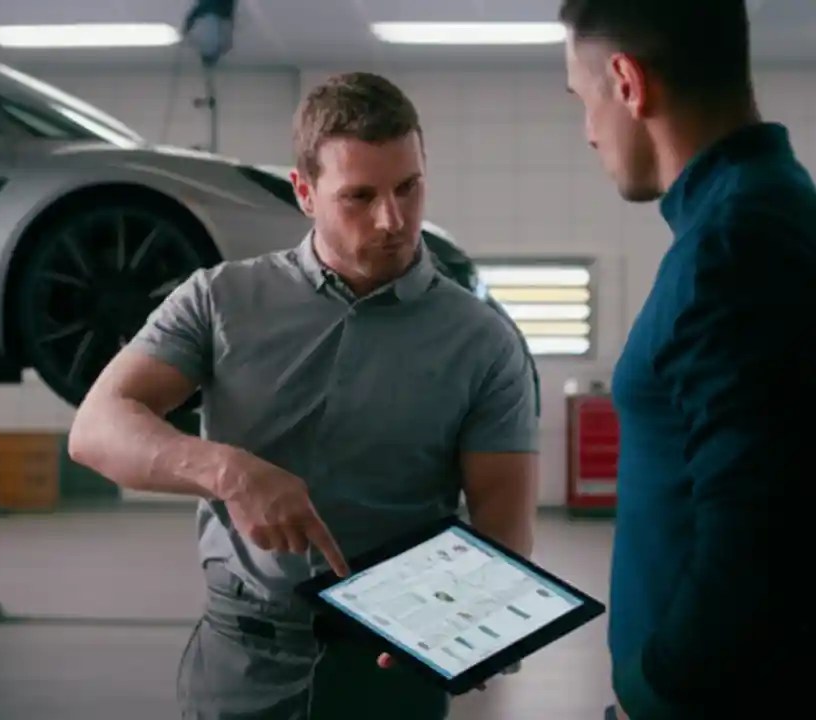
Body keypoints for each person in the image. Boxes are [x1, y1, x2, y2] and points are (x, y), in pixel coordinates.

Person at [68, 71, 540, 720]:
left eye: (409, 187)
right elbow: (96, 428)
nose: (393, 220)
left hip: (391, 667)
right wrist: (229, 473)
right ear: (304, 192)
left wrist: (476, 624)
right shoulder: (219, 300)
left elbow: (503, 516)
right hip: (239, 663)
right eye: (360, 196)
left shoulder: (484, 341)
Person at [560, 1, 816, 718]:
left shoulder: (734, 245)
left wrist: (654, 687)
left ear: (628, 82)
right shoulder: (758, 209)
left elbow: (758, 536)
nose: (588, 133)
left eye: (583, 101)